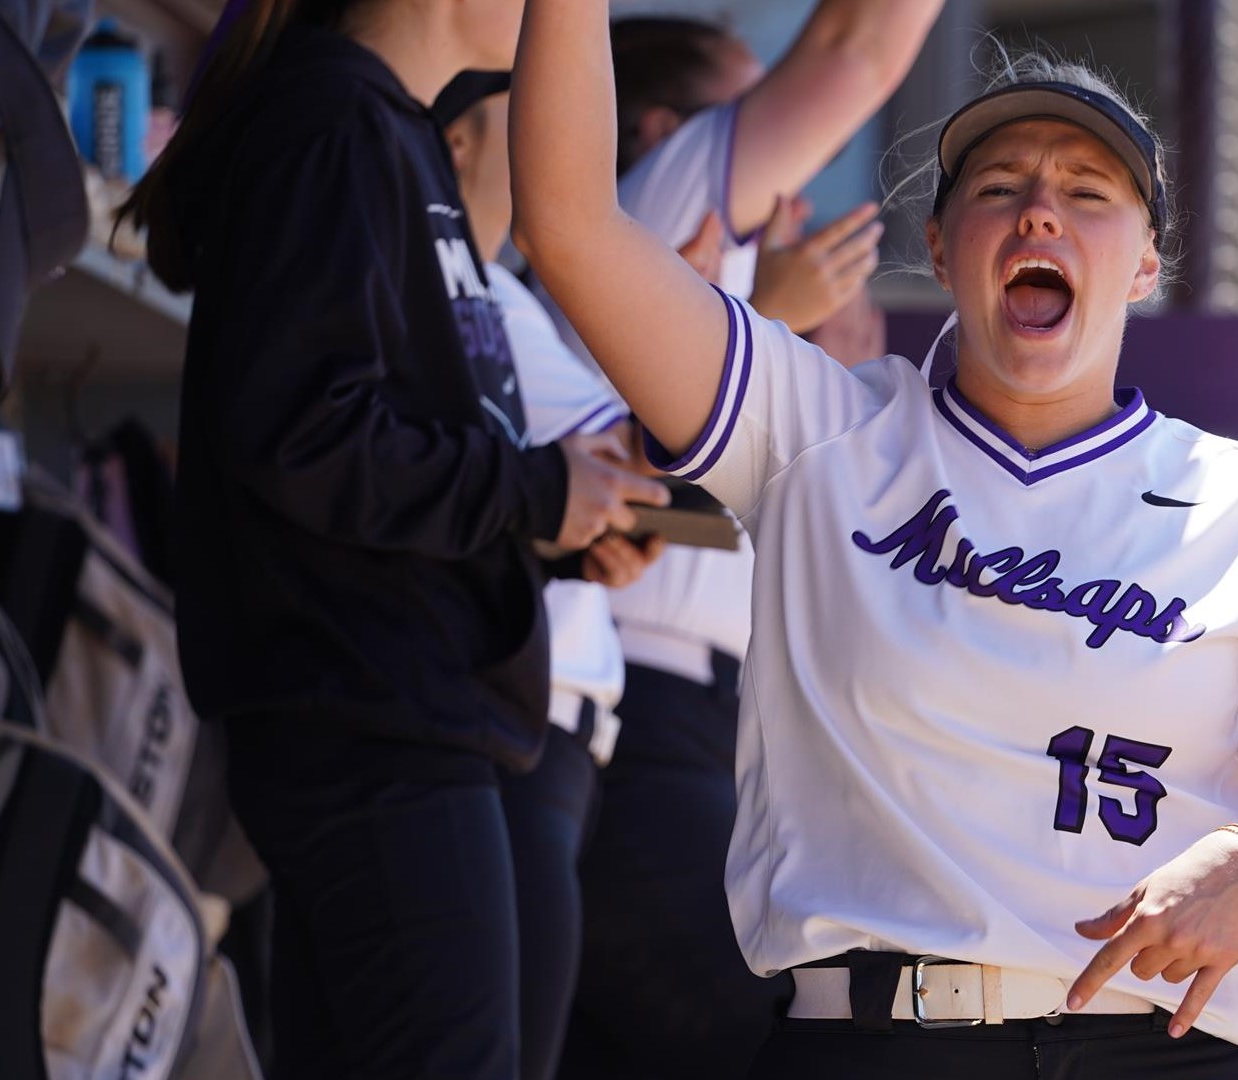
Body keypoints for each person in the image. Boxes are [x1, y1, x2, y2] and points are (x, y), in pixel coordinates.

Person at [512, 6, 1238, 1075]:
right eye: (999, 190)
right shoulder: (815, 435)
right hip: (873, 1041)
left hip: (1166, 1047)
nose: (1041, 215)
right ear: (938, 249)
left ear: (1142, 265)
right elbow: (568, 222)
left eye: (1087, 194)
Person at [119, 0, 666, 1074]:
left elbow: (368, 436)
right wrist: (528, 492)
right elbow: (304, 433)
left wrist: (556, 525)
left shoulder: (384, 128)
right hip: (371, 714)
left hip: (395, 708)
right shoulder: (332, 123)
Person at [524, 9, 942, 1077]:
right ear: (663, 129)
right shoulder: (655, 199)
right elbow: (854, 52)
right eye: (749, 109)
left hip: (713, 728)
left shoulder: (733, 275)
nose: (793, 179)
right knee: (790, 1042)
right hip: (644, 714)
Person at [433, 70, 667, 1080]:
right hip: (497, 727)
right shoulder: (448, 282)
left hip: (547, 727)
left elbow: (587, 483)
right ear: (458, 145)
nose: (553, 135)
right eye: (519, 109)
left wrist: (572, 530)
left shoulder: (501, 291)